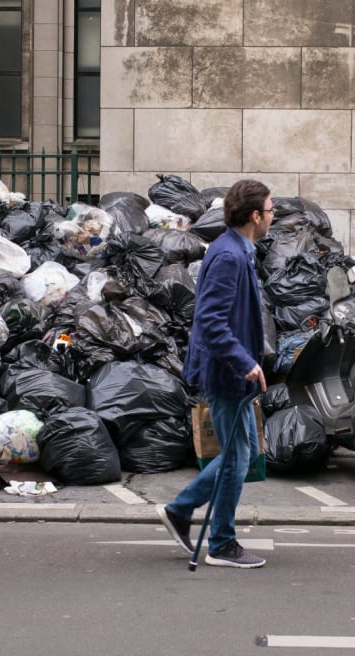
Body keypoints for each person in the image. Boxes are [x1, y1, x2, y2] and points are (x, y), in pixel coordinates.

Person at [157, 179, 272, 569]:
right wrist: (245, 362)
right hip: (227, 374)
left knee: (242, 456)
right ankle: (218, 540)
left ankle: (183, 511)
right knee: (237, 458)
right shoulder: (228, 256)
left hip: (235, 372)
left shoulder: (238, 250)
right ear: (255, 215)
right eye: (270, 211)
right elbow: (209, 321)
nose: (273, 217)